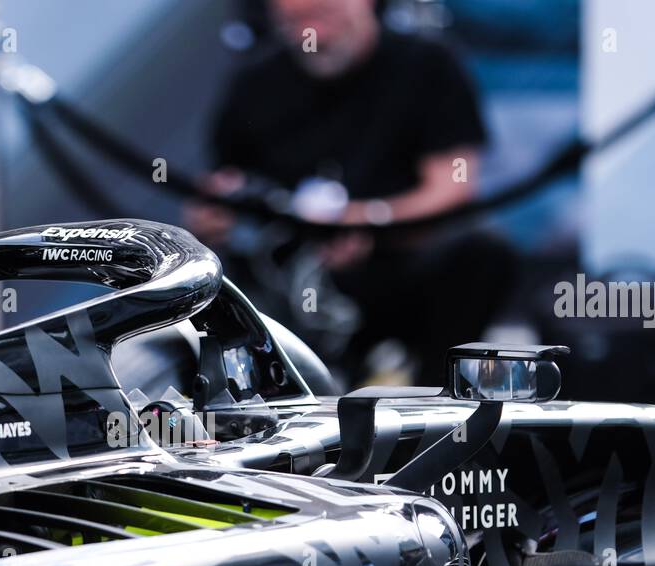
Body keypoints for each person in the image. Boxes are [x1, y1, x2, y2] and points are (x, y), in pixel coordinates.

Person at [190, 0, 515, 386]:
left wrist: (369, 221)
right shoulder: (255, 81)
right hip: (290, 276)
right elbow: (214, 196)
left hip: (396, 264)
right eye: (296, 21)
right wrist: (221, 217)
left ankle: (441, 402)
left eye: (325, 15)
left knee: (481, 253)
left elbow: (454, 188)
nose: (316, 36)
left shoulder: (426, 65)